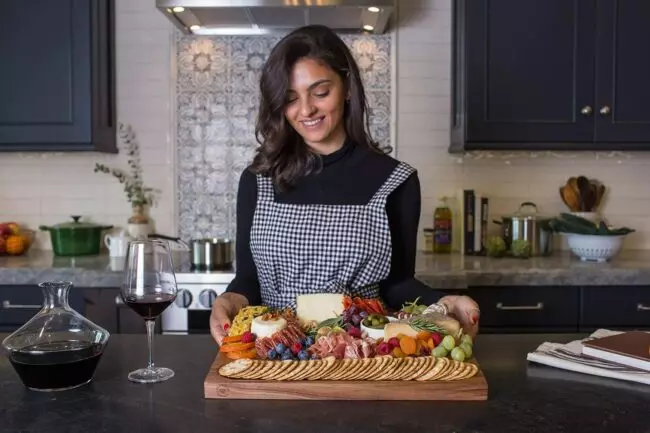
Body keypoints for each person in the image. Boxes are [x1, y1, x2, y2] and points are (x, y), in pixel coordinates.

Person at [209, 25, 480, 345]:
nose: (306, 109)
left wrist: (444, 302)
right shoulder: (258, 180)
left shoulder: (396, 181)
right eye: (291, 98)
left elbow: (397, 285)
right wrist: (229, 300)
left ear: (347, 87)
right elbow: (249, 280)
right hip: (276, 355)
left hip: (361, 355)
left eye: (320, 92)